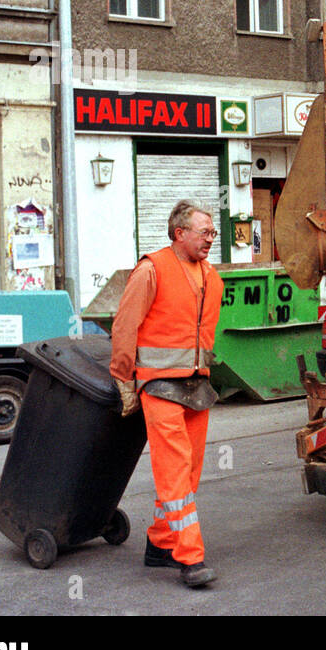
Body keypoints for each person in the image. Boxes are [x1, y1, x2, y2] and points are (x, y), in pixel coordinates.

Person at [110, 199, 222, 588]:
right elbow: (125, 326)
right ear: (180, 233)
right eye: (204, 232)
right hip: (158, 386)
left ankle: (160, 543)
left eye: (213, 233)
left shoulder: (212, 277)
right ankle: (190, 557)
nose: (211, 239)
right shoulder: (151, 270)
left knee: (189, 473)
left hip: (197, 386)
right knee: (175, 473)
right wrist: (124, 379)